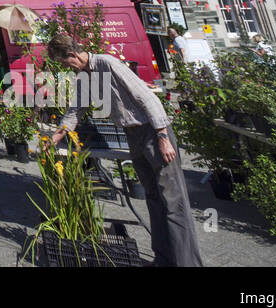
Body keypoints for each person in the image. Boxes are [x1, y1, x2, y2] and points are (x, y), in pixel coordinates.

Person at [47, 33, 203, 267]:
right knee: (153, 198)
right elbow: (76, 108)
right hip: (133, 135)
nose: (64, 66)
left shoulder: (107, 63)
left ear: (72, 54)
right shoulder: (84, 75)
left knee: (173, 202)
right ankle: (164, 260)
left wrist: (162, 136)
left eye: (63, 62)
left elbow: (147, 97)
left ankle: (187, 263)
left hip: (153, 131)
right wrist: (57, 135)